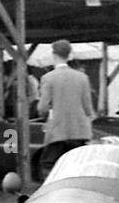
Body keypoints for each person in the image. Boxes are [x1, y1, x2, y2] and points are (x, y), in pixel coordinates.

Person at [36, 39, 93, 178]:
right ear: (69, 55)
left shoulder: (48, 78)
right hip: (79, 131)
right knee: (78, 168)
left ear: (54, 55)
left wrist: (43, 114)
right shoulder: (83, 78)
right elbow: (88, 108)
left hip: (58, 131)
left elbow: (43, 107)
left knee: (49, 166)